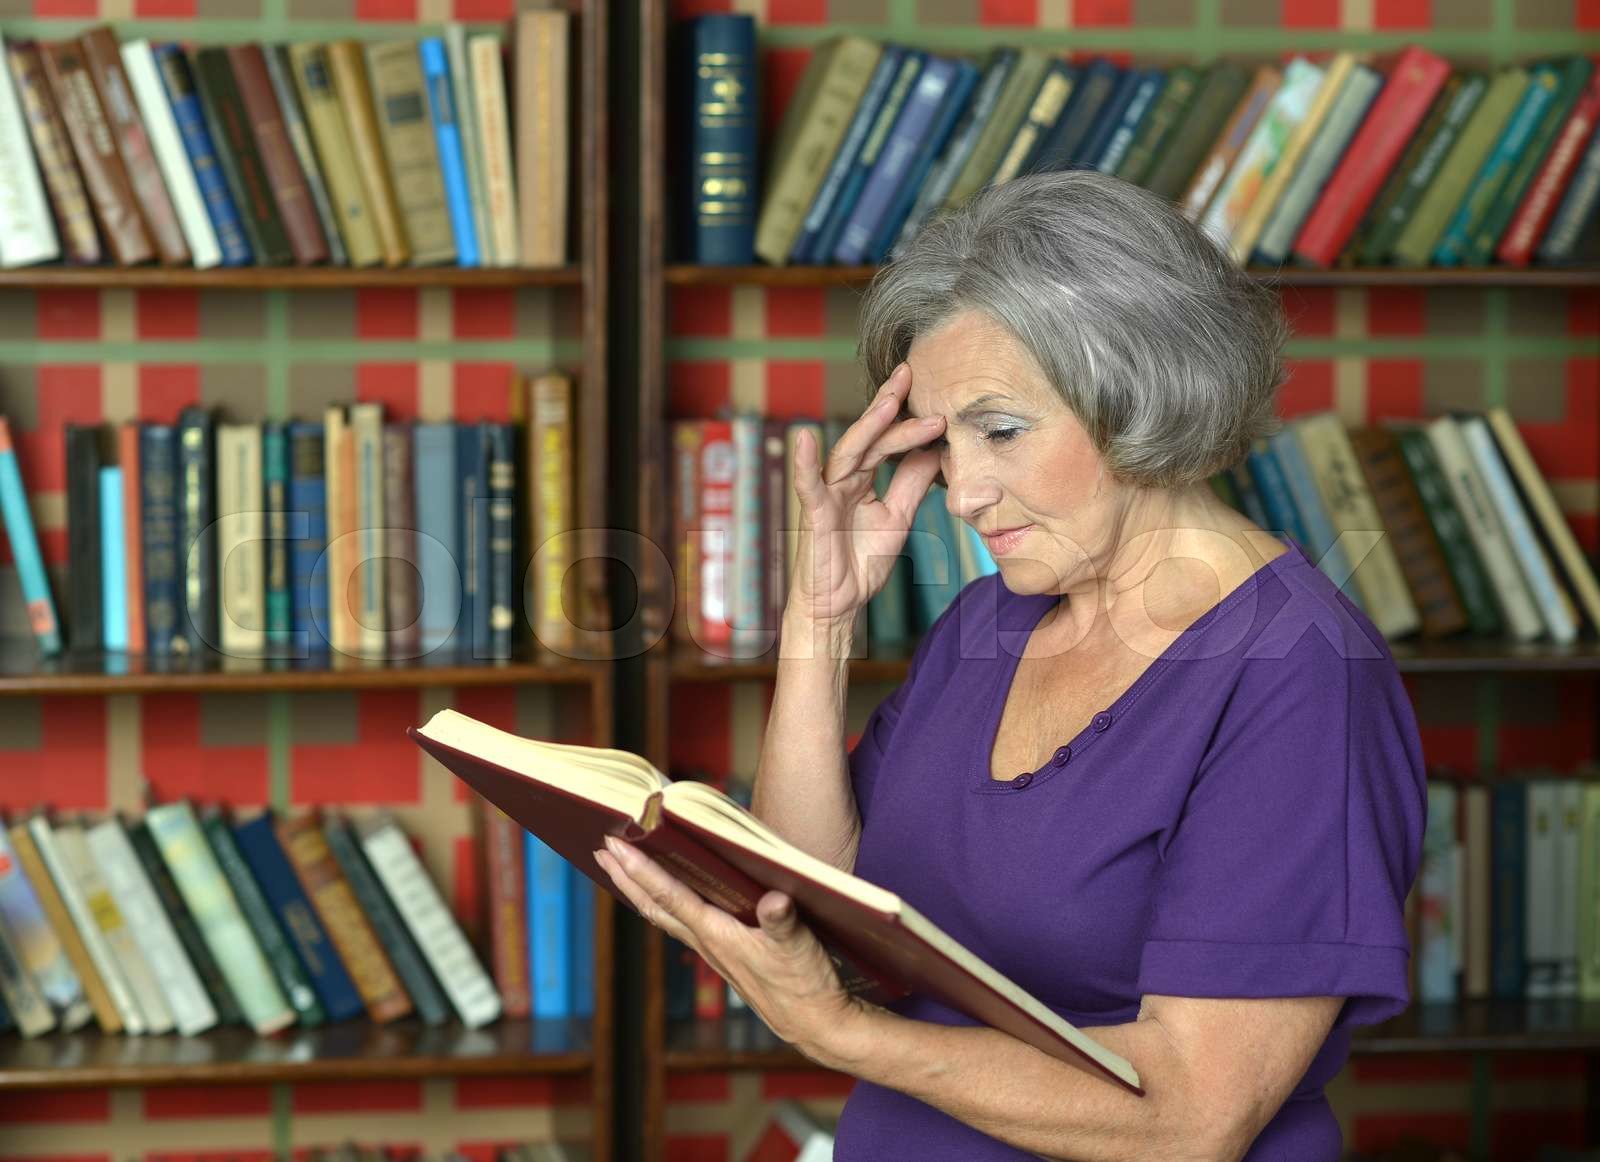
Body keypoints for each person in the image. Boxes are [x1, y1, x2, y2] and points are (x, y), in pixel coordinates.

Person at [596, 170, 1427, 1161]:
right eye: (943, 443)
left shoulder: (1301, 676)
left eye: (998, 430)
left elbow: (1194, 1114)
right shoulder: (991, 620)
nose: (962, 492)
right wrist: (819, 624)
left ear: (1137, 390)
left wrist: (842, 1034)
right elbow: (816, 904)